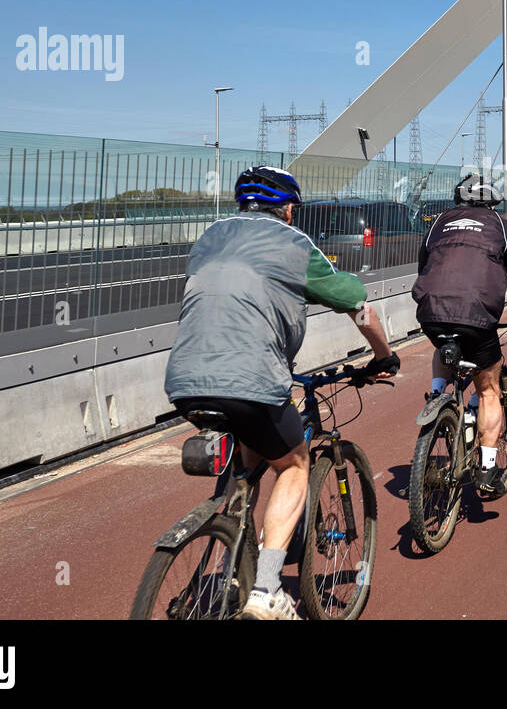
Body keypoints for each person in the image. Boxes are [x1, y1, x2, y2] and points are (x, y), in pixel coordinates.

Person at [163, 165, 400, 620]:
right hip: (251, 377)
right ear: (288, 207)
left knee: (247, 462)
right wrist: (383, 357)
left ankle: (233, 557)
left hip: (184, 379)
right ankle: (267, 590)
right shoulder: (294, 243)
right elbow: (359, 304)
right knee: (293, 464)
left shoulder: (210, 237)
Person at [411, 174, 507, 494]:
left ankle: (438, 393)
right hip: (475, 318)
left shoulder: (439, 222)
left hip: (431, 312)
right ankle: (486, 469)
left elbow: (426, 267)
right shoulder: (498, 225)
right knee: (488, 390)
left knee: (444, 342)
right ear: (491, 203)